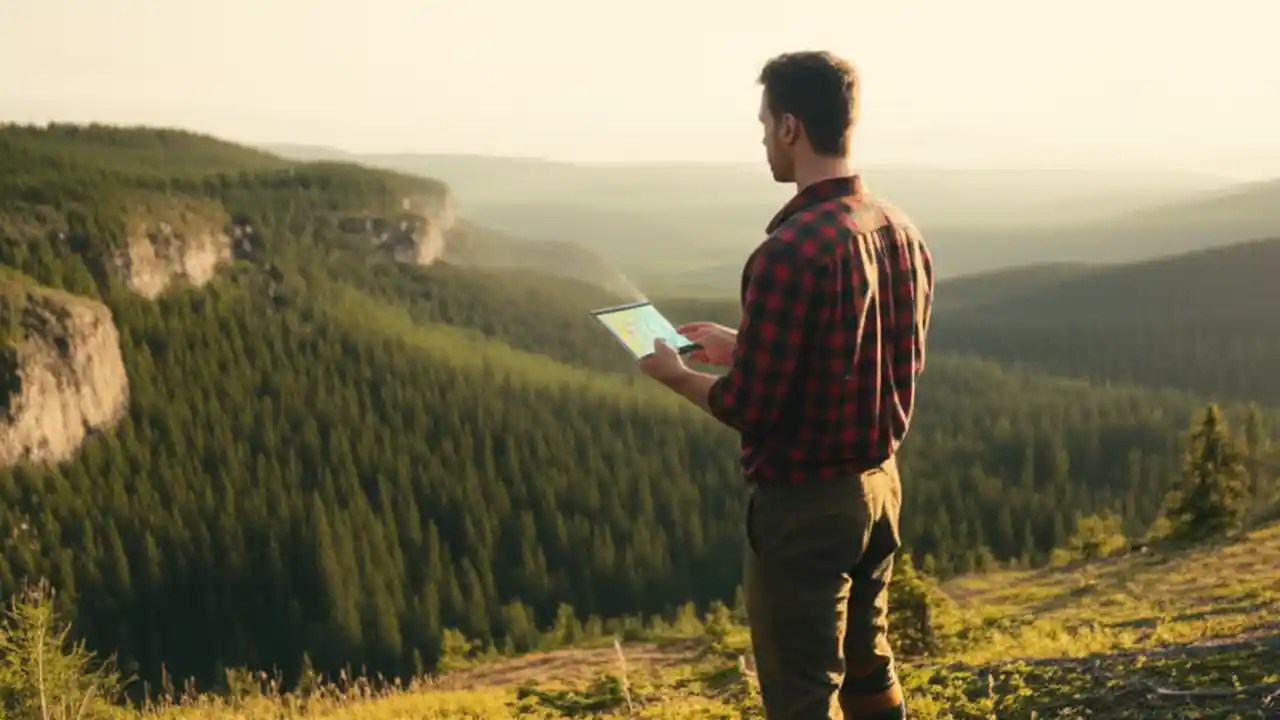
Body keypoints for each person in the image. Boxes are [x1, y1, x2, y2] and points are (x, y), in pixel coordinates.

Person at [639, 50, 933, 720]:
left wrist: (678, 375)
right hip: (880, 487)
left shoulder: (788, 251)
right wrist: (741, 346)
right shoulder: (899, 229)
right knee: (868, 664)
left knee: (802, 694)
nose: (765, 140)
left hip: (805, 512)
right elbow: (859, 357)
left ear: (792, 128)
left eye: (766, 124)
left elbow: (751, 407)